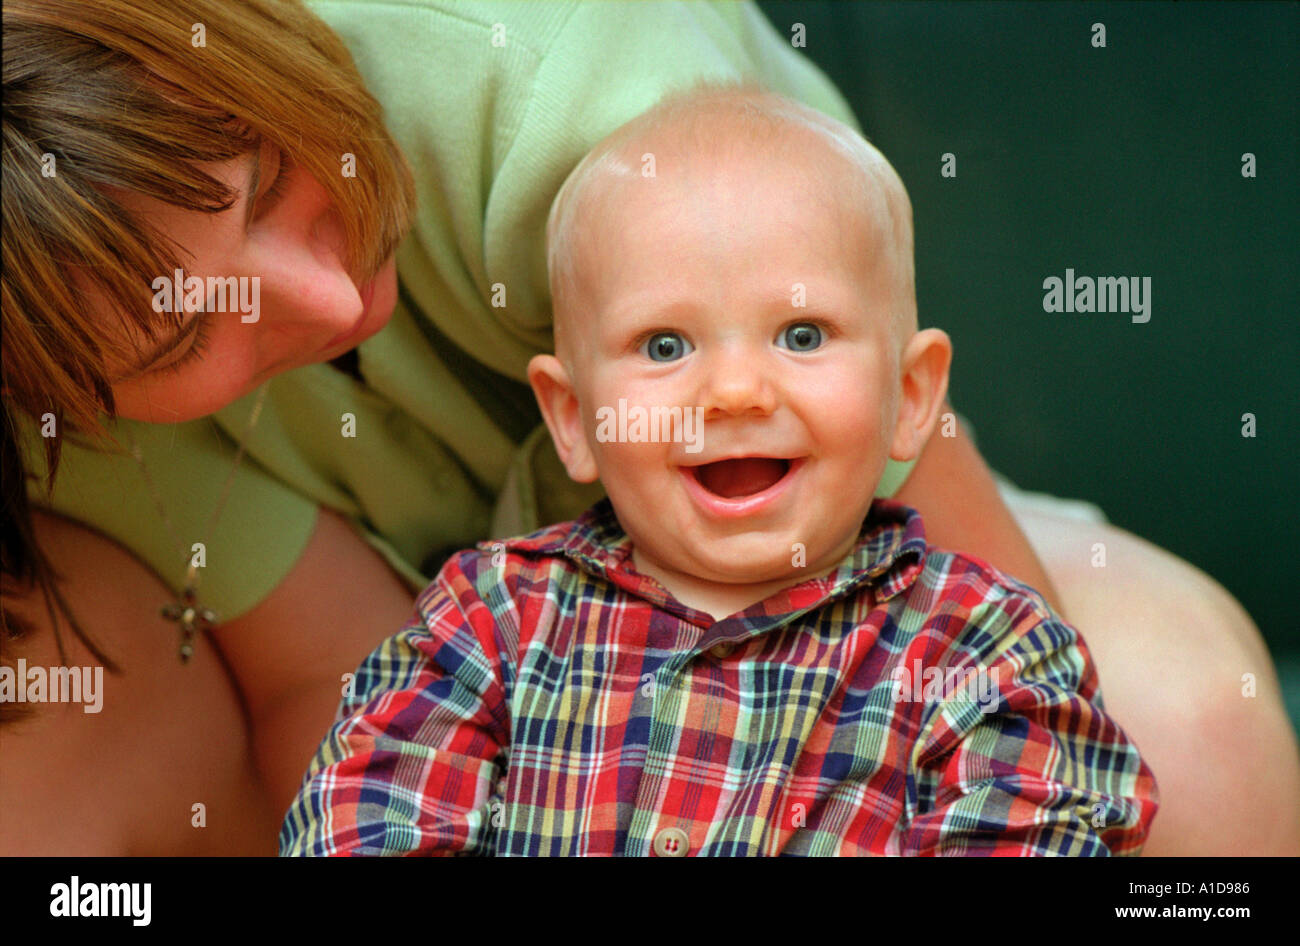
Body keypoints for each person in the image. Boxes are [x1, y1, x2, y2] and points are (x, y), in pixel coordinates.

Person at [2, 0, 1294, 856]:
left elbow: (968, 612)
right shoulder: (485, 624)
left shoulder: (576, 69)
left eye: (279, 183)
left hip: (838, 533)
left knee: (1195, 721)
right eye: (186, 334)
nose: (336, 301)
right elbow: (347, 706)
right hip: (521, 628)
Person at [279, 84, 1160, 855]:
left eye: (802, 335)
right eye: (665, 345)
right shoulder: (490, 621)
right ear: (575, 420)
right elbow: (364, 822)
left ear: (909, 395)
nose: (735, 391)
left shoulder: (983, 648)